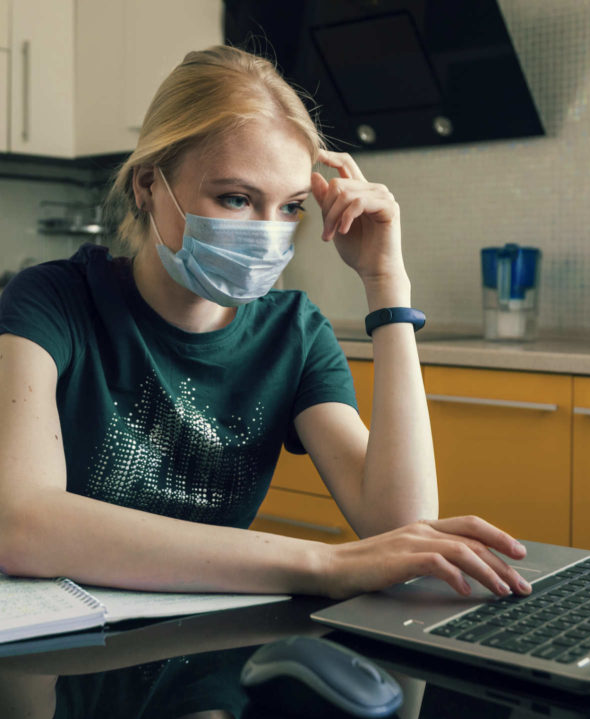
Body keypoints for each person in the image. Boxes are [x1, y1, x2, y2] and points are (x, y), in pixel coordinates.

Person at [0, 45, 532, 602]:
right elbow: (23, 525)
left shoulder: (294, 334)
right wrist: (321, 563)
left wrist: (385, 283)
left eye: (290, 207)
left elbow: (401, 528)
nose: (266, 233)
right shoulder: (54, 301)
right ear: (147, 185)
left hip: (209, 654)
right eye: (235, 198)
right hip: (61, 654)